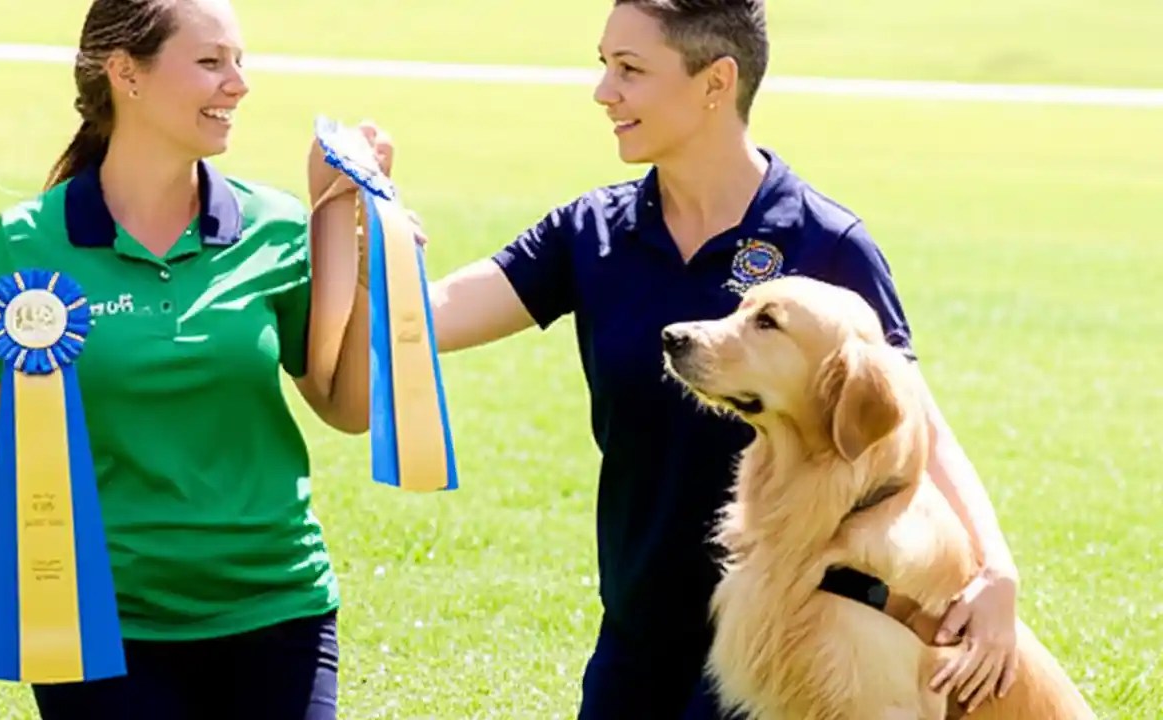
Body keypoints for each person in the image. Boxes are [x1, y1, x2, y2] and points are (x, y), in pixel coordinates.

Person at [309, 0, 1024, 718]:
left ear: (716, 82)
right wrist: (377, 236)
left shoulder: (825, 244)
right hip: (636, 635)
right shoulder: (590, 232)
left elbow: (914, 425)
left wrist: (996, 571)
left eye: (630, 70)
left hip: (788, 635)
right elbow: (424, 321)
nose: (603, 93)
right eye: (604, 67)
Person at [0, 0, 369, 718]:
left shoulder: (277, 229)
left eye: (240, 62)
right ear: (125, 74)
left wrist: (371, 272)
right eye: (211, 62)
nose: (239, 85)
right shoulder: (29, 241)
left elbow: (345, 409)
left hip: (278, 606)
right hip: (99, 622)